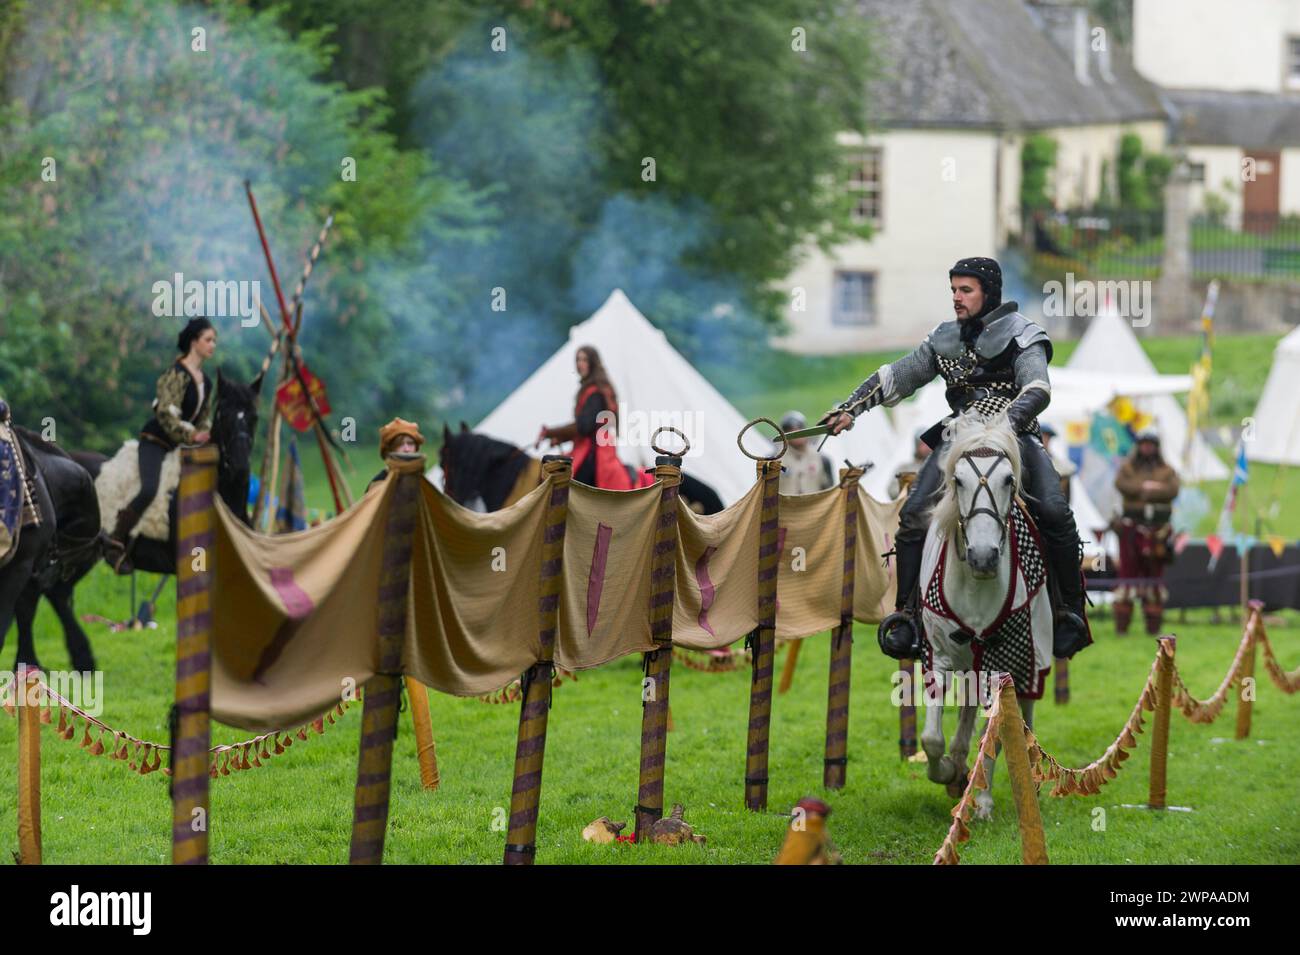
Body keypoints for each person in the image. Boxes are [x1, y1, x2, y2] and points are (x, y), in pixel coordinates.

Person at [820, 256, 1090, 659]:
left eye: (966, 290)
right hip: (959, 437)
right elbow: (899, 375)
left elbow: (1038, 389)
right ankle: (907, 616)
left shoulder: (1023, 334)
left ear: (989, 292)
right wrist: (851, 407)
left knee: (1053, 510)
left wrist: (1002, 425)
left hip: (1015, 437)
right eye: (954, 290)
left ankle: (1069, 612)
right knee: (913, 515)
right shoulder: (943, 338)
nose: (957, 299)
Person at [107, 318, 216, 574]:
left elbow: (202, 420)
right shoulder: (175, 374)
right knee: (149, 489)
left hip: (181, 450)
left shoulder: (206, 381)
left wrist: (207, 434)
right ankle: (115, 540)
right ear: (194, 342)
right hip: (156, 442)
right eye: (208, 340)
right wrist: (192, 436)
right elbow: (166, 412)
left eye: (214, 340)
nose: (213, 345)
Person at [537, 345, 641, 490]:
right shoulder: (591, 390)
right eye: (578, 359)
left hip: (595, 452)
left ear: (592, 363)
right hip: (589, 447)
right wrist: (560, 437)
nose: (580, 363)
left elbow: (584, 427)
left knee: (572, 485)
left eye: (584, 360)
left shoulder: (595, 393)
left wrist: (551, 432)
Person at [1112, 428, 1180, 634]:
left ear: (1156, 448)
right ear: (1138, 446)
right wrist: (1146, 487)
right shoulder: (1127, 467)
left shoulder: (1167, 469)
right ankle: (1122, 628)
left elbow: (1173, 489)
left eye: (1151, 445)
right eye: (1143, 444)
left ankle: (1153, 628)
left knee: (1154, 577)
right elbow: (1122, 484)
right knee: (1128, 574)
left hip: (1158, 531)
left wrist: (1154, 490)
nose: (1147, 448)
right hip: (1131, 529)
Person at [778, 411, 835, 495]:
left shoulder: (822, 459)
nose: (796, 433)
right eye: (790, 430)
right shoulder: (774, 460)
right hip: (784, 507)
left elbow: (829, 492)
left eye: (799, 428)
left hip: (814, 506)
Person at [368, 418, 425, 491]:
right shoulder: (378, 484)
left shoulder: (423, 483)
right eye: (400, 444)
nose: (406, 449)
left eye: (410, 443)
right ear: (389, 450)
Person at [888, 428, 932, 500]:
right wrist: (910, 488)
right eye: (923, 444)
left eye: (928, 442)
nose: (927, 446)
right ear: (917, 446)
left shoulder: (941, 462)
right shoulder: (905, 468)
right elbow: (892, 491)